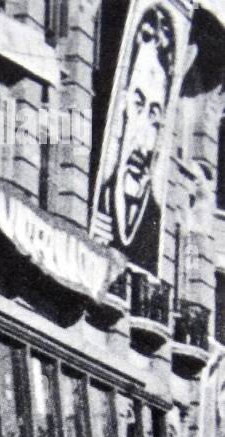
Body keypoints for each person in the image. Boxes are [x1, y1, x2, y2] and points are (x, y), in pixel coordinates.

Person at [92, 6, 176, 275]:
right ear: (122, 104)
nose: (142, 141)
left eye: (154, 114)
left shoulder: (154, 217)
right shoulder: (99, 195)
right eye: (138, 104)